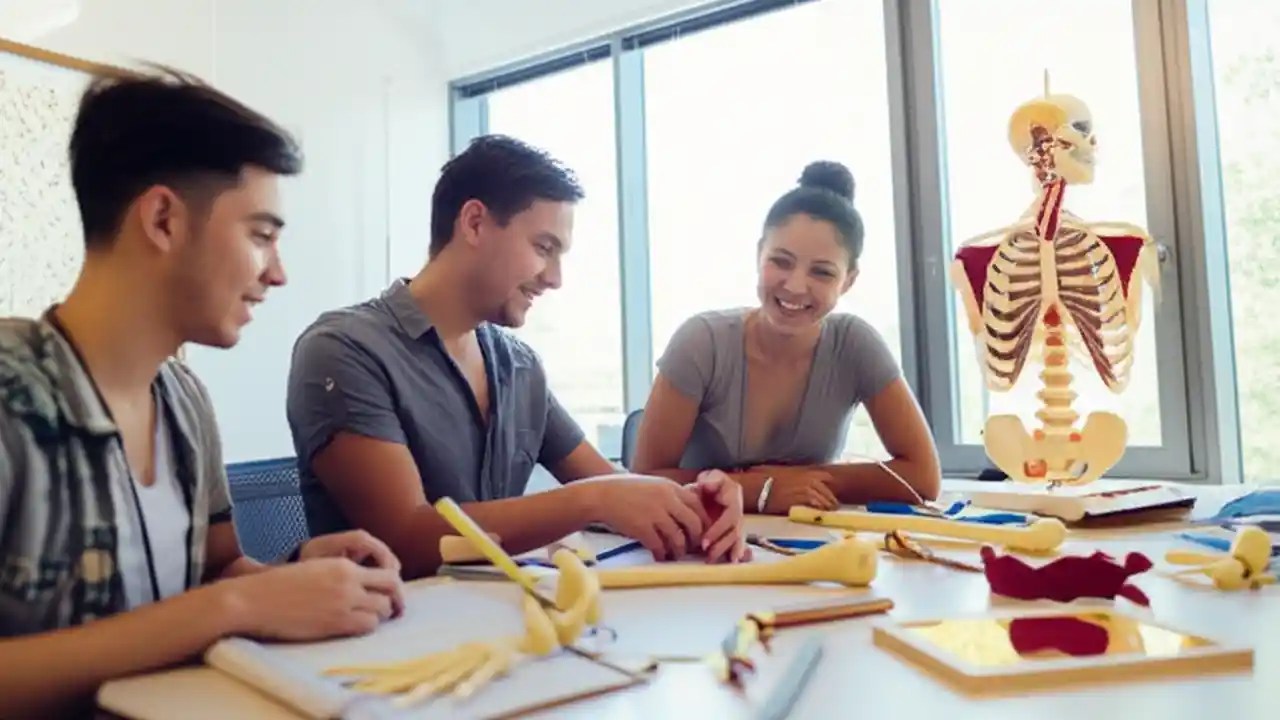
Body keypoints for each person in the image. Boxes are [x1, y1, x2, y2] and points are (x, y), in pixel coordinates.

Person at [0, 68, 406, 719]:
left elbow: (214, 574)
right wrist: (231, 607)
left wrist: (290, 578)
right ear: (162, 218)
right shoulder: (11, 394)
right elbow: (215, 602)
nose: (278, 272)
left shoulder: (184, 399)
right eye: (261, 234)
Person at [286, 134, 748, 579]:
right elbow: (406, 538)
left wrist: (688, 505)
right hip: (381, 640)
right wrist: (593, 500)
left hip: (500, 626)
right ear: (474, 223)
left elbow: (608, 484)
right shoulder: (345, 350)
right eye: (544, 248)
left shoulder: (519, 366)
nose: (555, 278)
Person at [631, 161, 941, 514]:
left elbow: (923, 477)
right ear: (758, 255)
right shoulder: (702, 342)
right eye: (780, 262)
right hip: (699, 548)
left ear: (849, 281)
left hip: (799, 543)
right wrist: (760, 489)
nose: (795, 286)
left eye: (822, 272)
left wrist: (801, 480)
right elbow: (643, 480)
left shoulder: (855, 345)